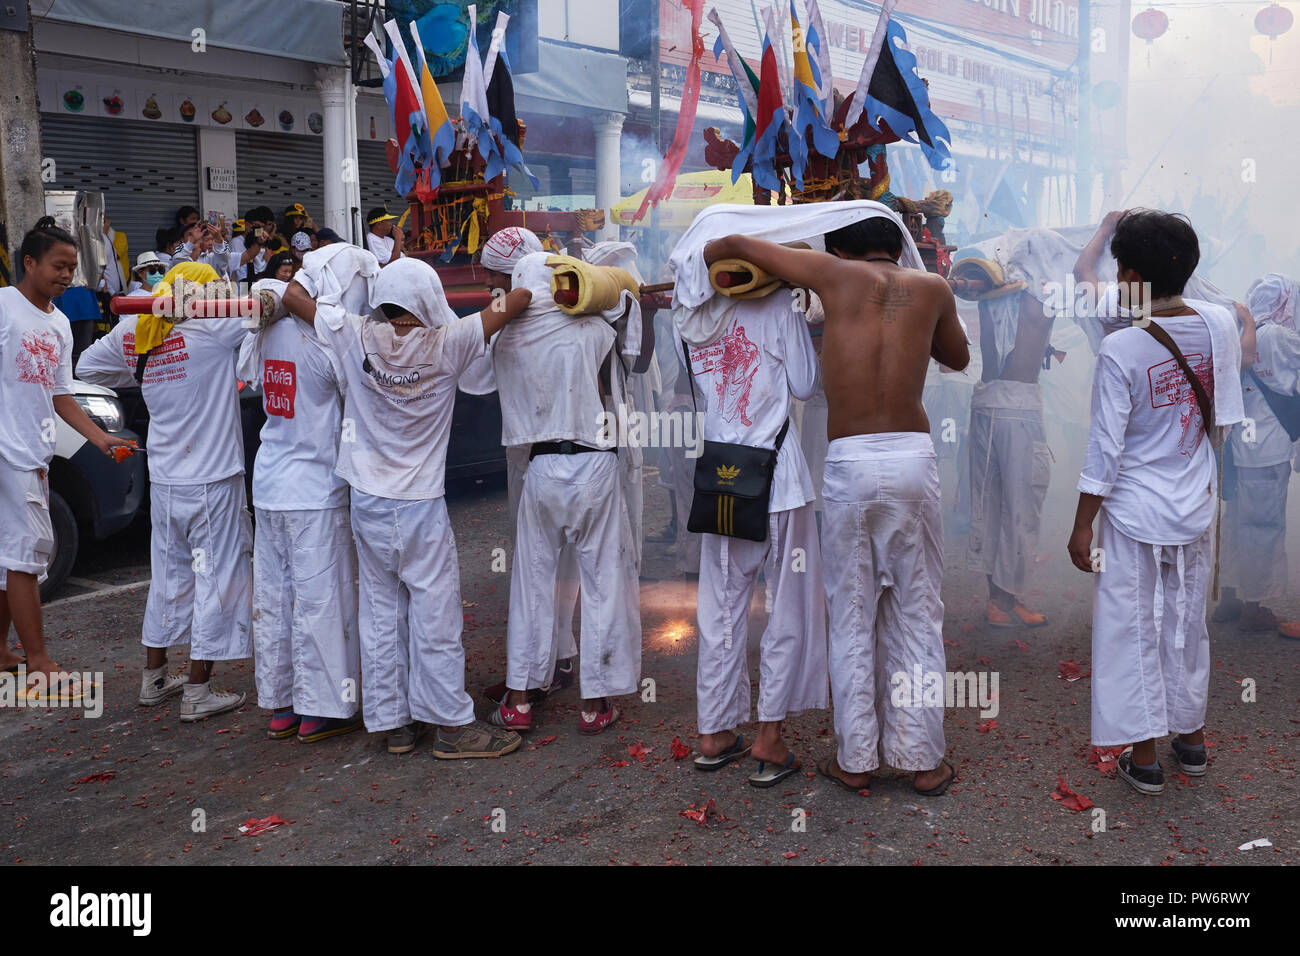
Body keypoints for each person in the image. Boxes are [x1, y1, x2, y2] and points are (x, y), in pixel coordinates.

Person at [690, 202, 968, 797]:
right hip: (913, 457)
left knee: (850, 613)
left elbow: (728, 244)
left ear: (837, 247)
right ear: (897, 245)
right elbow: (958, 358)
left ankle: (856, 761)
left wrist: (785, 265)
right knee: (918, 614)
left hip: (850, 462)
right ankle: (923, 762)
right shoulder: (932, 286)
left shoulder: (831, 273)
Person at [281, 258, 531, 758]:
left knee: (380, 613)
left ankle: (394, 725)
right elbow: (517, 301)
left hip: (367, 502)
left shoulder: (353, 334)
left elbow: (291, 298)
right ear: (427, 299)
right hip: (418, 505)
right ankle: (453, 728)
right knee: (434, 616)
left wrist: (326, 263)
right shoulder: (450, 341)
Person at [1067, 209, 1245, 796]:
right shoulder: (1218, 324)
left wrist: (1080, 528)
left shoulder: (1122, 349)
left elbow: (1104, 450)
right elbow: (1241, 332)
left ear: (1128, 273)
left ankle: (1144, 758)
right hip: (1194, 506)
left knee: (1130, 627)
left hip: (1134, 513)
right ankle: (1190, 742)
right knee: (1186, 622)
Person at [672, 234, 828, 787]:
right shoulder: (778, 307)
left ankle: (714, 732)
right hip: (778, 480)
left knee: (718, 610)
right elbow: (807, 386)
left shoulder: (687, 318)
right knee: (785, 610)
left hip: (722, 483)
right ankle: (768, 739)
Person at [77, 261, 255, 721]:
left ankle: (154, 679)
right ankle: (198, 692)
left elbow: (87, 366)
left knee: (170, 578)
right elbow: (267, 304)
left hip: (167, 480)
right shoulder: (213, 326)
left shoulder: (135, 330)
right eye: (213, 286)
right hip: (213, 479)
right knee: (217, 581)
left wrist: (140, 374)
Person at [488, 252, 643, 736]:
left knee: (531, 586)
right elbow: (636, 356)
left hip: (540, 467)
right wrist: (636, 306)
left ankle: (518, 700)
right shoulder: (592, 330)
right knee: (602, 584)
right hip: (593, 463)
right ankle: (594, 706)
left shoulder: (507, 339)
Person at [0, 218, 134, 696]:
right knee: (25, 559)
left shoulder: (58, 322)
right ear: (30, 262)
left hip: (35, 451)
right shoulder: (3, 307)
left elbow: (60, 394)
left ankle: (2, 653)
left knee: (11, 559)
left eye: (73, 268)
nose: (66, 275)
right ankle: (39, 662)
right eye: (59, 266)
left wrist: (100, 439)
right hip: (7, 454)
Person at [236, 273, 362, 743]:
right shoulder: (324, 336)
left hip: (269, 484)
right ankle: (323, 709)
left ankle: (283, 706)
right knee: (320, 601)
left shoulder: (267, 331)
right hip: (314, 489)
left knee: (275, 599)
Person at [475, 227, 580, 703]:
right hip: (549, 457)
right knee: (554, 565)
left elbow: (473, 373)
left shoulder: (560, 312)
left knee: (546, 569)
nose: (490, 286)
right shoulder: (564, 311)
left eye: (495, 276)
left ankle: (542, 670)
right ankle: (553, 662)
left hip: (551, 458)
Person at [952, 251, 1053, 628]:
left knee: (991, 503)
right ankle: (1004, 600)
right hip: (1017, 412)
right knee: (1021, 506)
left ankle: (1001, 601)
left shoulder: (991, 297)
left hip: (988, 404)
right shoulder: (1038, 302)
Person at [1214, 273, 1300, 639]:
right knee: (1263, 529)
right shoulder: (1278, 336)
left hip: (1238, 448)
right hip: (1266, 449)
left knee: (1236, 525)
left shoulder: (1240, 333)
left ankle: (1230, 599)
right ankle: (1254, 607)